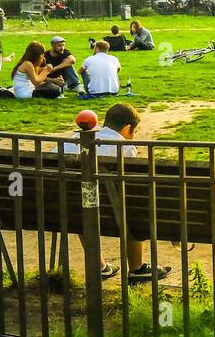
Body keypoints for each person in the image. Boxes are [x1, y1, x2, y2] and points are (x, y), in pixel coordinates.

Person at [64, 104, 169, 283]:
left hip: (67, 211)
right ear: (127, 128)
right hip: (113, 215)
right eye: (134, 132)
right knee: (133, 209)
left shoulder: (70, 142)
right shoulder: (124, 149)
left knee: (81, 207)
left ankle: (99, 267)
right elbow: (133, 190)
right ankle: (136, 269)